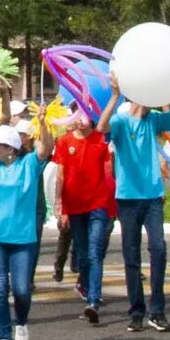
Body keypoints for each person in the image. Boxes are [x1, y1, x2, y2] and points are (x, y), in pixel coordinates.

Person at [105, 87, 170, 333]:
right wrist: (114, 95)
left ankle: (157, 311)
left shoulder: (153, 120)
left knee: (159, 248)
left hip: (153, 196)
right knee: (131, 256)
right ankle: (136, 311)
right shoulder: (121, 121)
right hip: (128, 198)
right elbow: (102, 129)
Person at [0, 122, 47, 340]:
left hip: (23, 238)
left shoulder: (29, 165)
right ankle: (4, 337)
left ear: (11, 148)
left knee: (22, 289)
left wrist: (43, 123)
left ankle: (21, 321)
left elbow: (46, 147)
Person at [53, 109, 114, 324]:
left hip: (97, 204)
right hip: (74, 206)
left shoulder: (101, 140)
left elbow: (109, 171)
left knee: (95, 251)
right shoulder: (64, 142)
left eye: (83, 115)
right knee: (82, 253)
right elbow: (60, 175)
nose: (79, 120)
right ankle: (86, 286)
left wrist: (112, 202)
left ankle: (93, 301)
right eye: (75, 115)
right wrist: (59, 202)